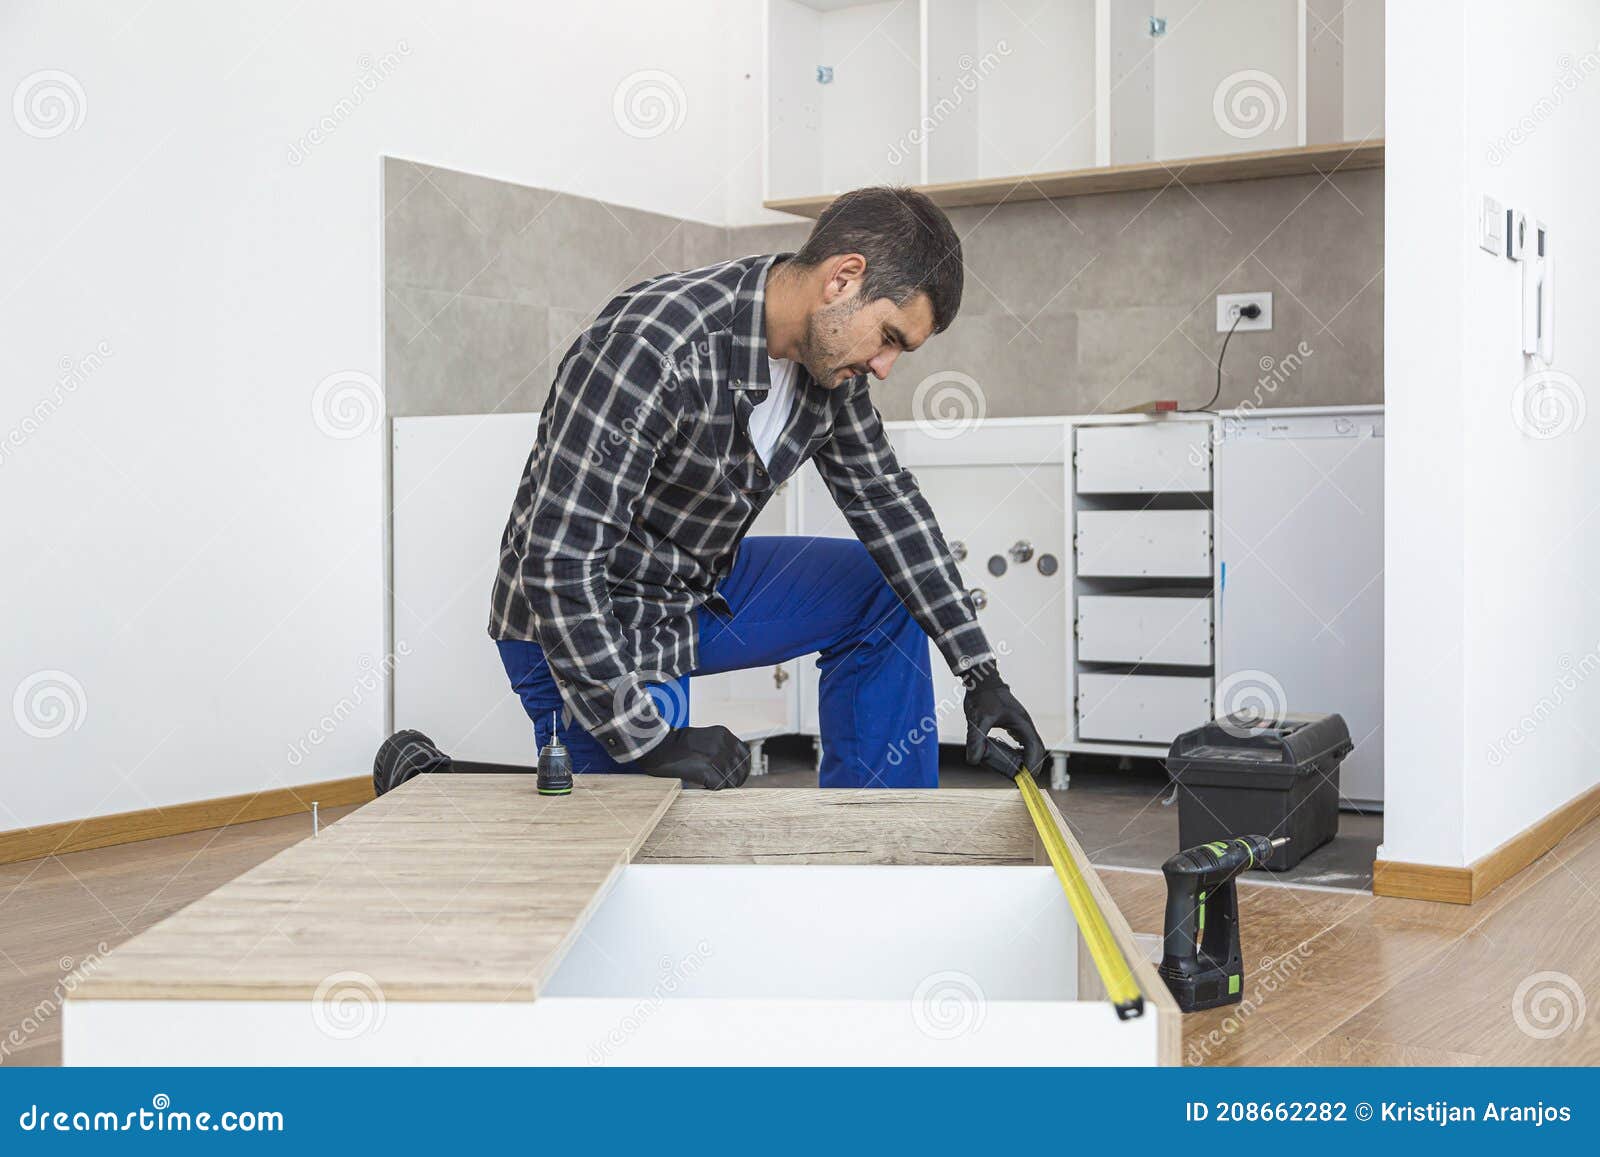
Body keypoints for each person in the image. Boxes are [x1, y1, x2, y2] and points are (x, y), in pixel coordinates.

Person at [488, 186, 1046, 791]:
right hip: (584, 619)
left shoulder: (831, 372)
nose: (885, 367)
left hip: (693, 588)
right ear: (843, 279)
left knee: (882, 592)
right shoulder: (654, 343)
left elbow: (889, 505)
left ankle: (882, 833)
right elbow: (558, 562)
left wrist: (980, 672)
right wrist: (649, 739)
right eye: (889, 337)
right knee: (645, 827)